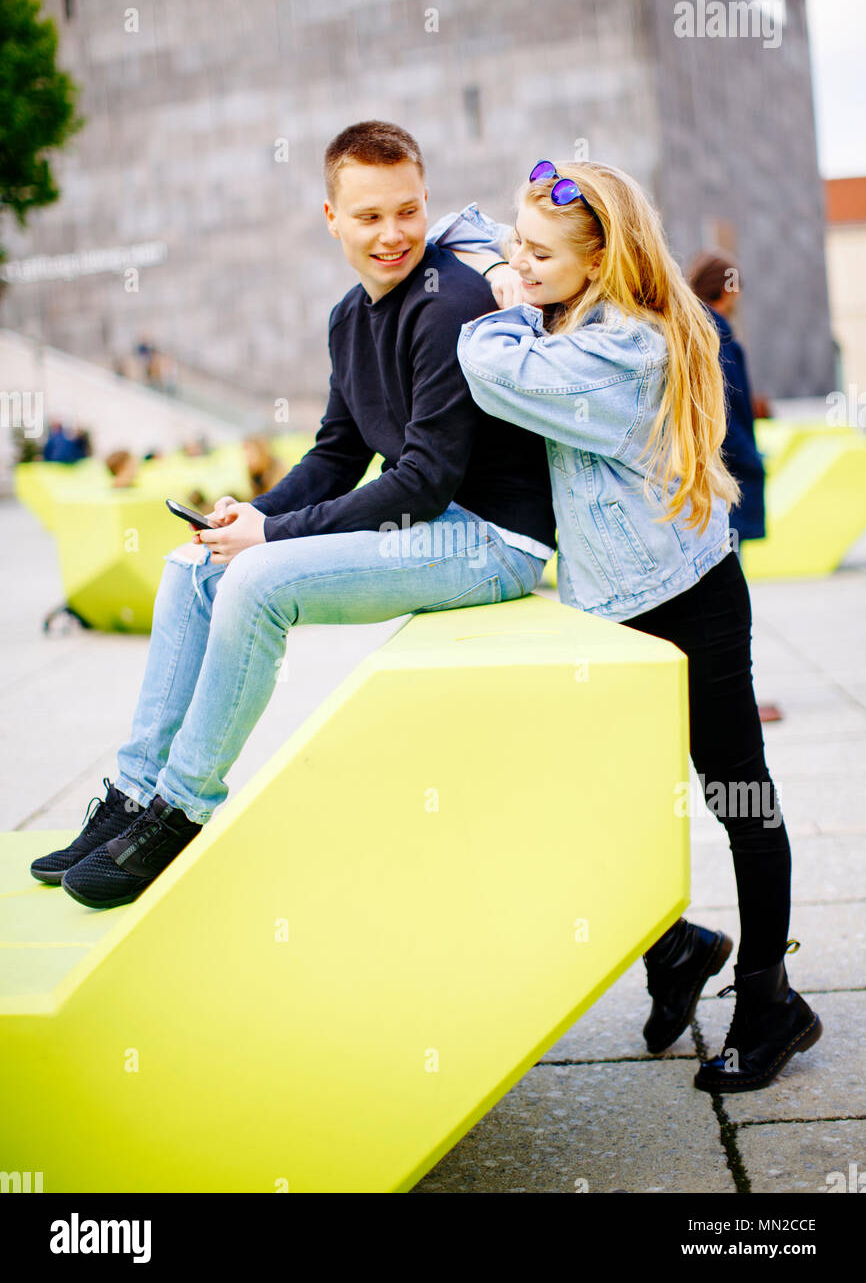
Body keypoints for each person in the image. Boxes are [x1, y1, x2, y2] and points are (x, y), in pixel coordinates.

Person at [30, 121, 556, 917]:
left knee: (260, 581)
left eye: (409, 211)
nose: (393, 234)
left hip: (492, 538)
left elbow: (422, 479)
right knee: (193, 564)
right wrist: (254, 511)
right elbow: (337, 454)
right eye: (370, 216)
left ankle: (181, 809)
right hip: (431, 520)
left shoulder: (450, 304)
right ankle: (131, 796)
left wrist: (271, 537)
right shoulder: (350, 317)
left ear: (426, 203)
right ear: (331, 218)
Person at [437, 159, 821, 1094]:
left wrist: (498, 289)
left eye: (540, 254)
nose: (521, 263)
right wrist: (514, 249)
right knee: (584, 801)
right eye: (519, 249)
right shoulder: (569, 305)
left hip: (688, 598)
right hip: (614, 613)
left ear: (601, 259)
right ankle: (677, 947)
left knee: (739, 799)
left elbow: (488, 367)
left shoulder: (624, 348)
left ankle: (769, 1001)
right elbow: (463, 220)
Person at [687, 251, 783, 724]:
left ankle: (723, 700)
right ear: (727, 289)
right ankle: (738, 705)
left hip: (707, 482)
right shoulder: (717, 333)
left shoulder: (691, 324)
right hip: (726, 481)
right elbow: (726, 412)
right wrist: (753, 464)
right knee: (728, 601)